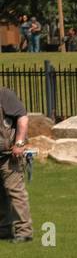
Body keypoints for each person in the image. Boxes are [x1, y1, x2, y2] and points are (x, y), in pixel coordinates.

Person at [0, 87, 33, 243]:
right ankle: (4, 229)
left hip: (8, 155)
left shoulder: (5, 95)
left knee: (15, 192)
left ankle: (24, 231)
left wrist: (19, 143)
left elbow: (22, 118)